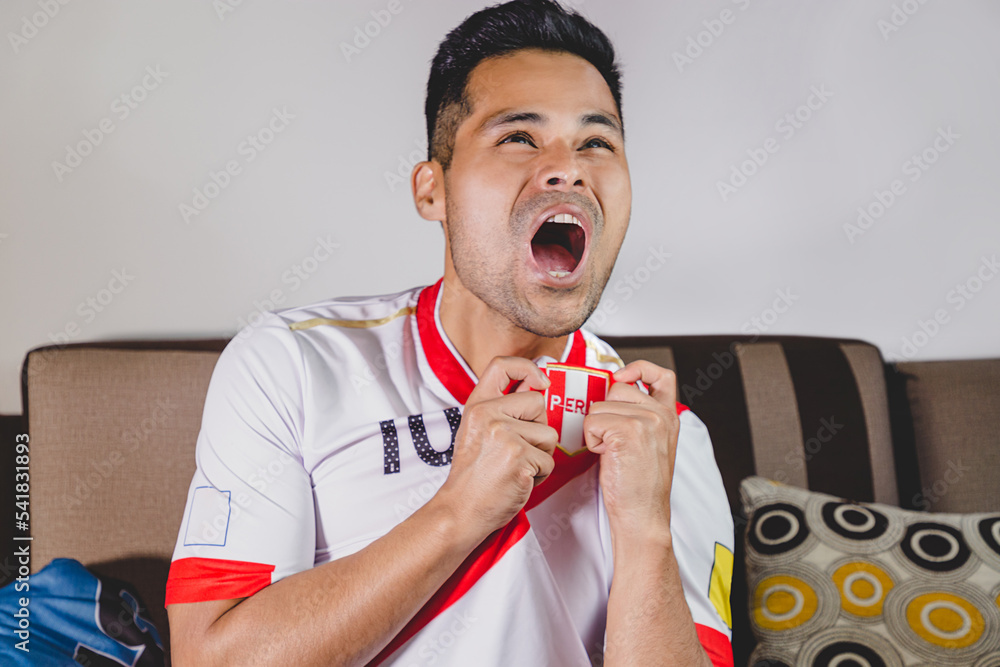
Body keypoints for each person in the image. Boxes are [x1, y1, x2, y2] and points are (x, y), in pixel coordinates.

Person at [165, 1, 734, 664]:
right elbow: (210, 658)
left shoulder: (670, 437)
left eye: (596, 142)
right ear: (432, 191)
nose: (568, 168)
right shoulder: (291, 362)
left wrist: (645, 532)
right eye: (520, 137)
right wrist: (459, 511)